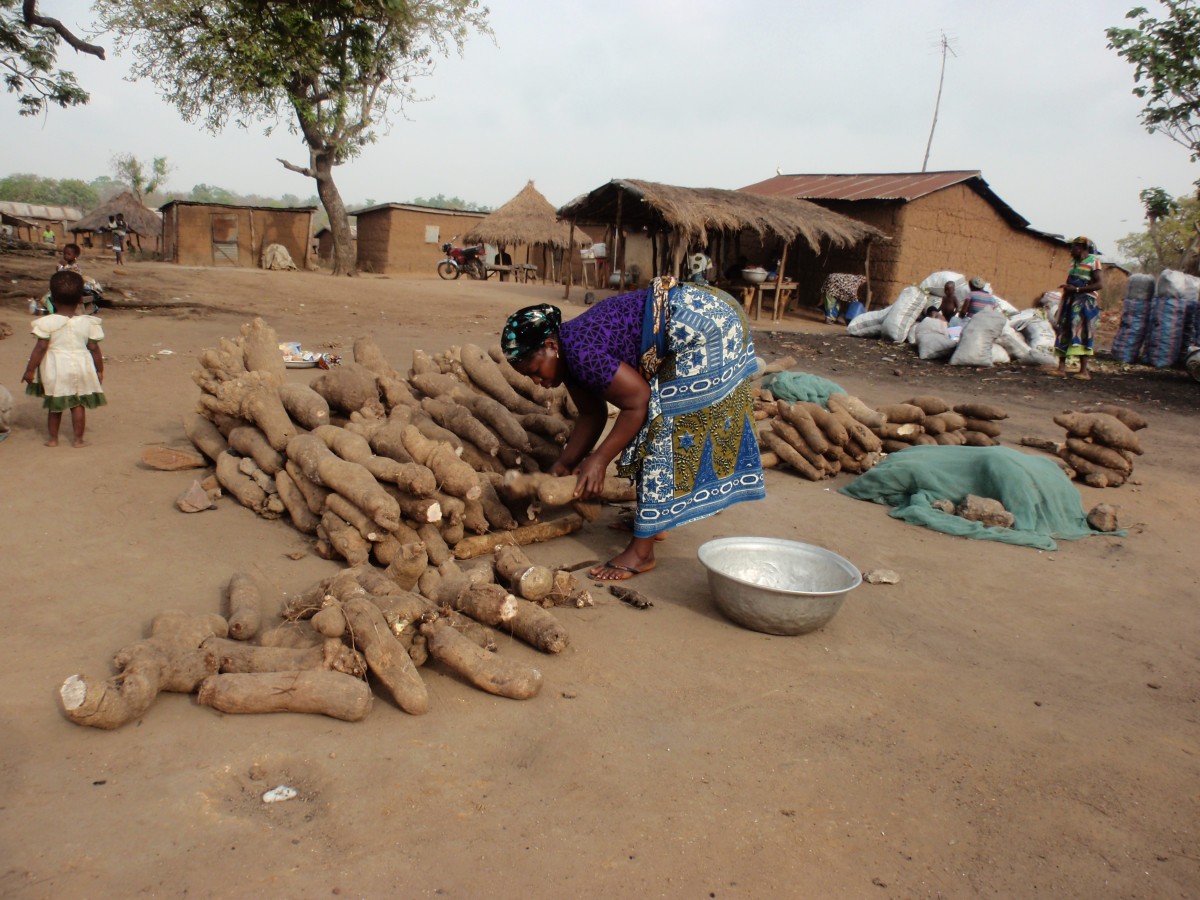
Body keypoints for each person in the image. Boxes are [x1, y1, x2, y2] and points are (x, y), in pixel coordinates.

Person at [501, 277, 766, 581]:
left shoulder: (580, 353)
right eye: (529, 378)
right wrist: (567, 461)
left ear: (551, 346)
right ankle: (654, 523)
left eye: (535, 371)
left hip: (706, 327)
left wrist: (599, 460)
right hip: (702, 313)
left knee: (659, 432)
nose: (537, 382)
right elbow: (592, 413)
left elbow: (638, 400)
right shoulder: (568, 357)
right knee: (646, 425)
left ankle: (642, 553)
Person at [21, 270, 106, 447]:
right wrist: (99, 369)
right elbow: (94, 349)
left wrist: (30, 370)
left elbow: (41, 348)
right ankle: (78, 440)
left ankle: (53, 439)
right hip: (81, 367)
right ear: (81, 299)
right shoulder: (88, 322)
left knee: (55, 405)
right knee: (78, 405)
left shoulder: (47, 323)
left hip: (56, 369)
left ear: (52, 299)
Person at [1051, 236, 1103, 380]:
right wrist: (1068, 287)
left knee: (1082, 332)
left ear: (1082, 248)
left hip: (1085, 303)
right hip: (1070, 301)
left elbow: (1099, 284)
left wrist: (1077, 289)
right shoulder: (1074, 262)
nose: (1071, 250)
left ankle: (1084, 371)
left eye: (1073, 247)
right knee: (1064, 329)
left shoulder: (1093, 262)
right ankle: (1061, 368)